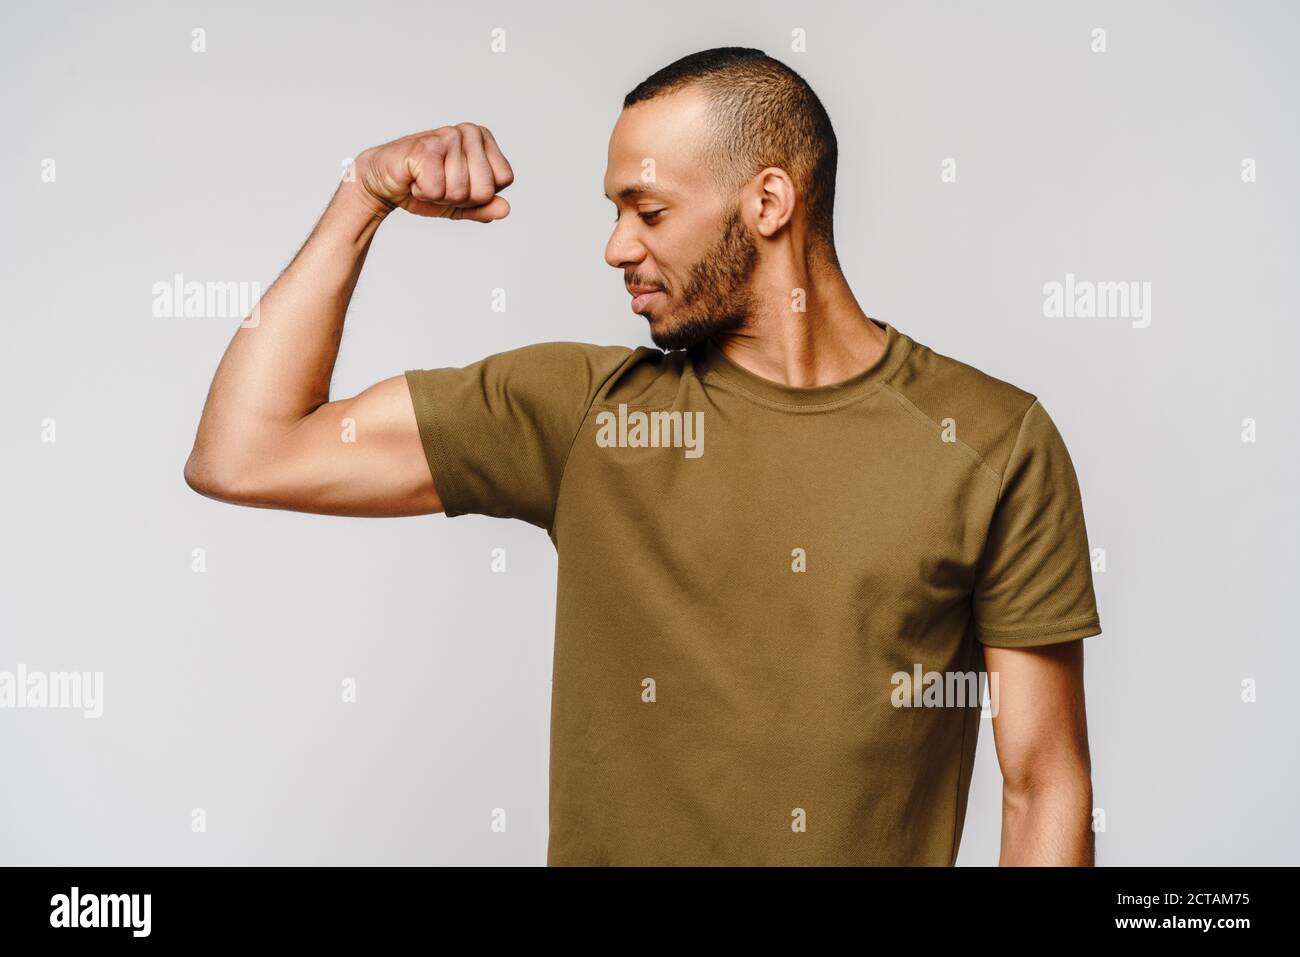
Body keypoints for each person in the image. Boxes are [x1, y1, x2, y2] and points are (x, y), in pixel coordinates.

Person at [184, 47, 1103, 866]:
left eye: (648, 209)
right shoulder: (580, 413)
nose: (617, 246)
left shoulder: (990, 441)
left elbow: (1043, 783)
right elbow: (245, 451)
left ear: (769, 203)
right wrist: (362, 197)